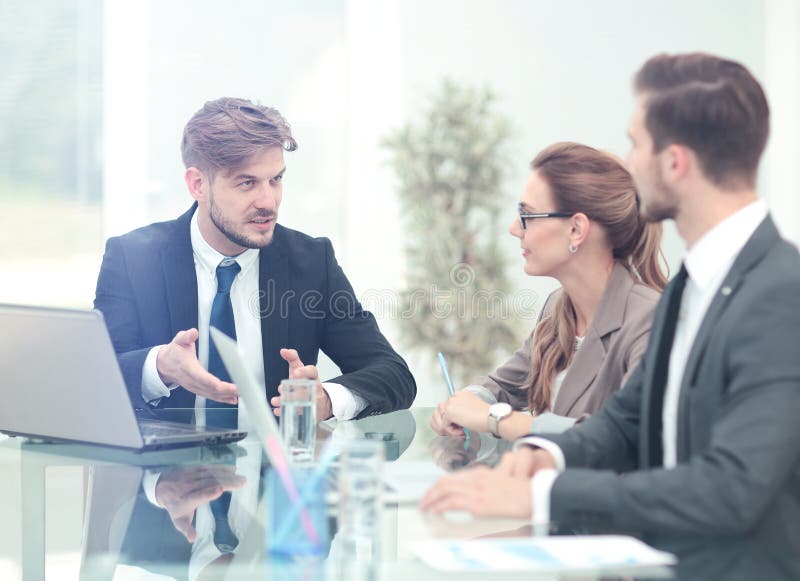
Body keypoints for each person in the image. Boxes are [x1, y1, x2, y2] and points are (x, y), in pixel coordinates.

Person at [422, 53, 800, 544]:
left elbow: (730, 488)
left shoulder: (779, 292)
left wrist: (544, 496)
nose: (628, 162)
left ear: (674, 162)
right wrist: (548, 455)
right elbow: (627, 421)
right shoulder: (693, 284)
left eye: (635, 143)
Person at [94, 97, 416, 426]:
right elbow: (94, 378)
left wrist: (326, 400)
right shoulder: (131, 259)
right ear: (198, 184)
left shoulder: (311, 262)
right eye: (247, 183)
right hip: (166, 474)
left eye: (275, 180)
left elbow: (394, 375)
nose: (268, 201)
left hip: (271, 473)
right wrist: (161, 366)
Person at [430, 142, 667, 441]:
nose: (515, 229)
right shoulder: (559, 308)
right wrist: (464, 403)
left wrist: (496, 420)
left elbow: (624, 436)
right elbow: (505, 385)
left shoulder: (649, 319)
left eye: (527, 215)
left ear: (576, 230)